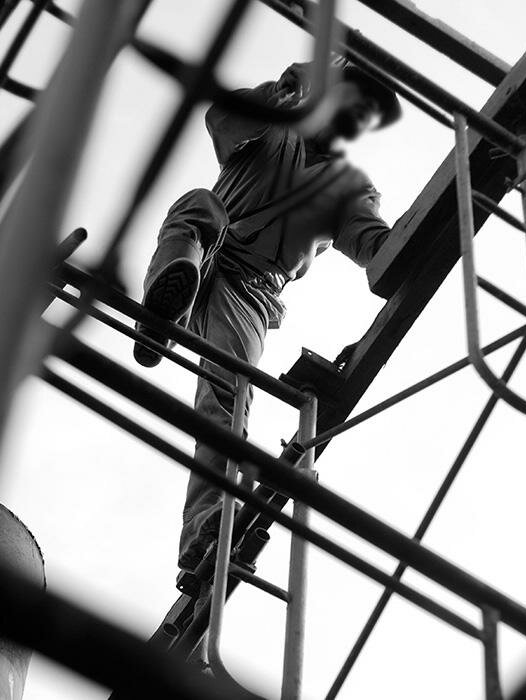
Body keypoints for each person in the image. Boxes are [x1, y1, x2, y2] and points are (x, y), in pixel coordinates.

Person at [133, 60, 402, 576]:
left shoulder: (349, 187)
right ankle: (161, 315)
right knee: (199, 205)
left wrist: (417, 237)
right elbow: (222, 117)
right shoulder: (273, 128)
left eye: (363, 115)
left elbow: (370, 241)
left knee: (226, 400)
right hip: (205, 249)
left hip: (251, 290)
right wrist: (285, 91)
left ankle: (208, 526)